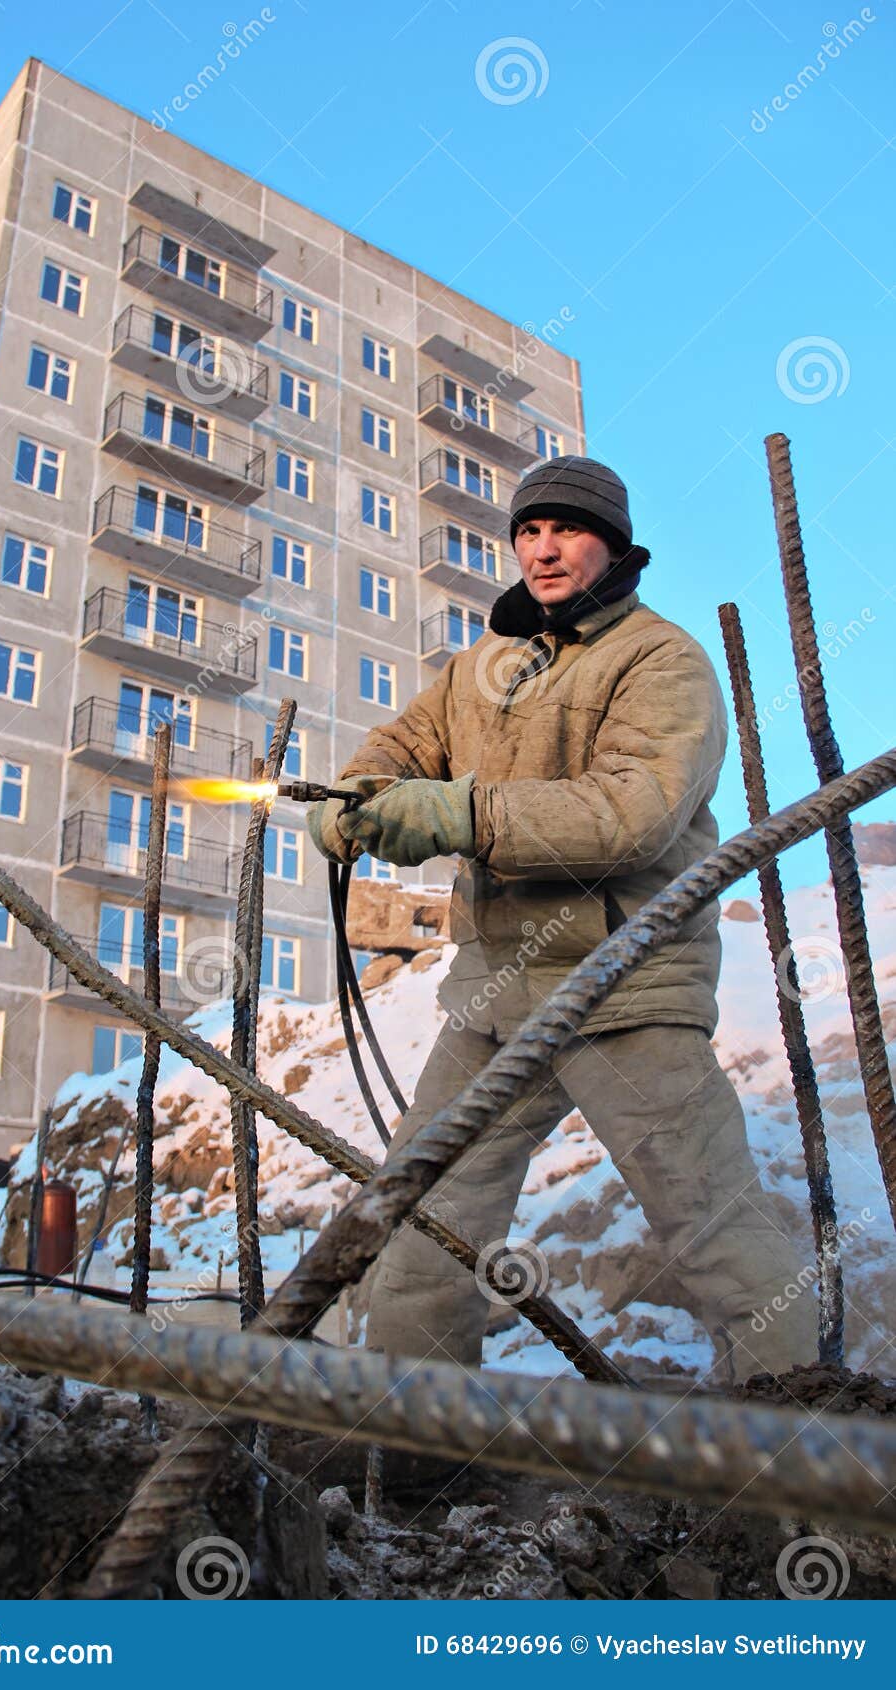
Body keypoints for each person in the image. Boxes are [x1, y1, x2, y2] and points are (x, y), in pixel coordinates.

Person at [308, 455, 816, 1387]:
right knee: (426, 1225)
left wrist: (460, 815)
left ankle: (799, 1465)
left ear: (612, 545)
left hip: (625, 987)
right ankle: (420, 1455)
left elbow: (632, 812)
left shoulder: (661, 660)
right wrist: (352, 799)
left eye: (567, 530)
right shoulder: (478, 668)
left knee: (713, 1229)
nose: (543, 549)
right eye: (528, 532)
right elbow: (397, 749)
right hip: (495, 997)